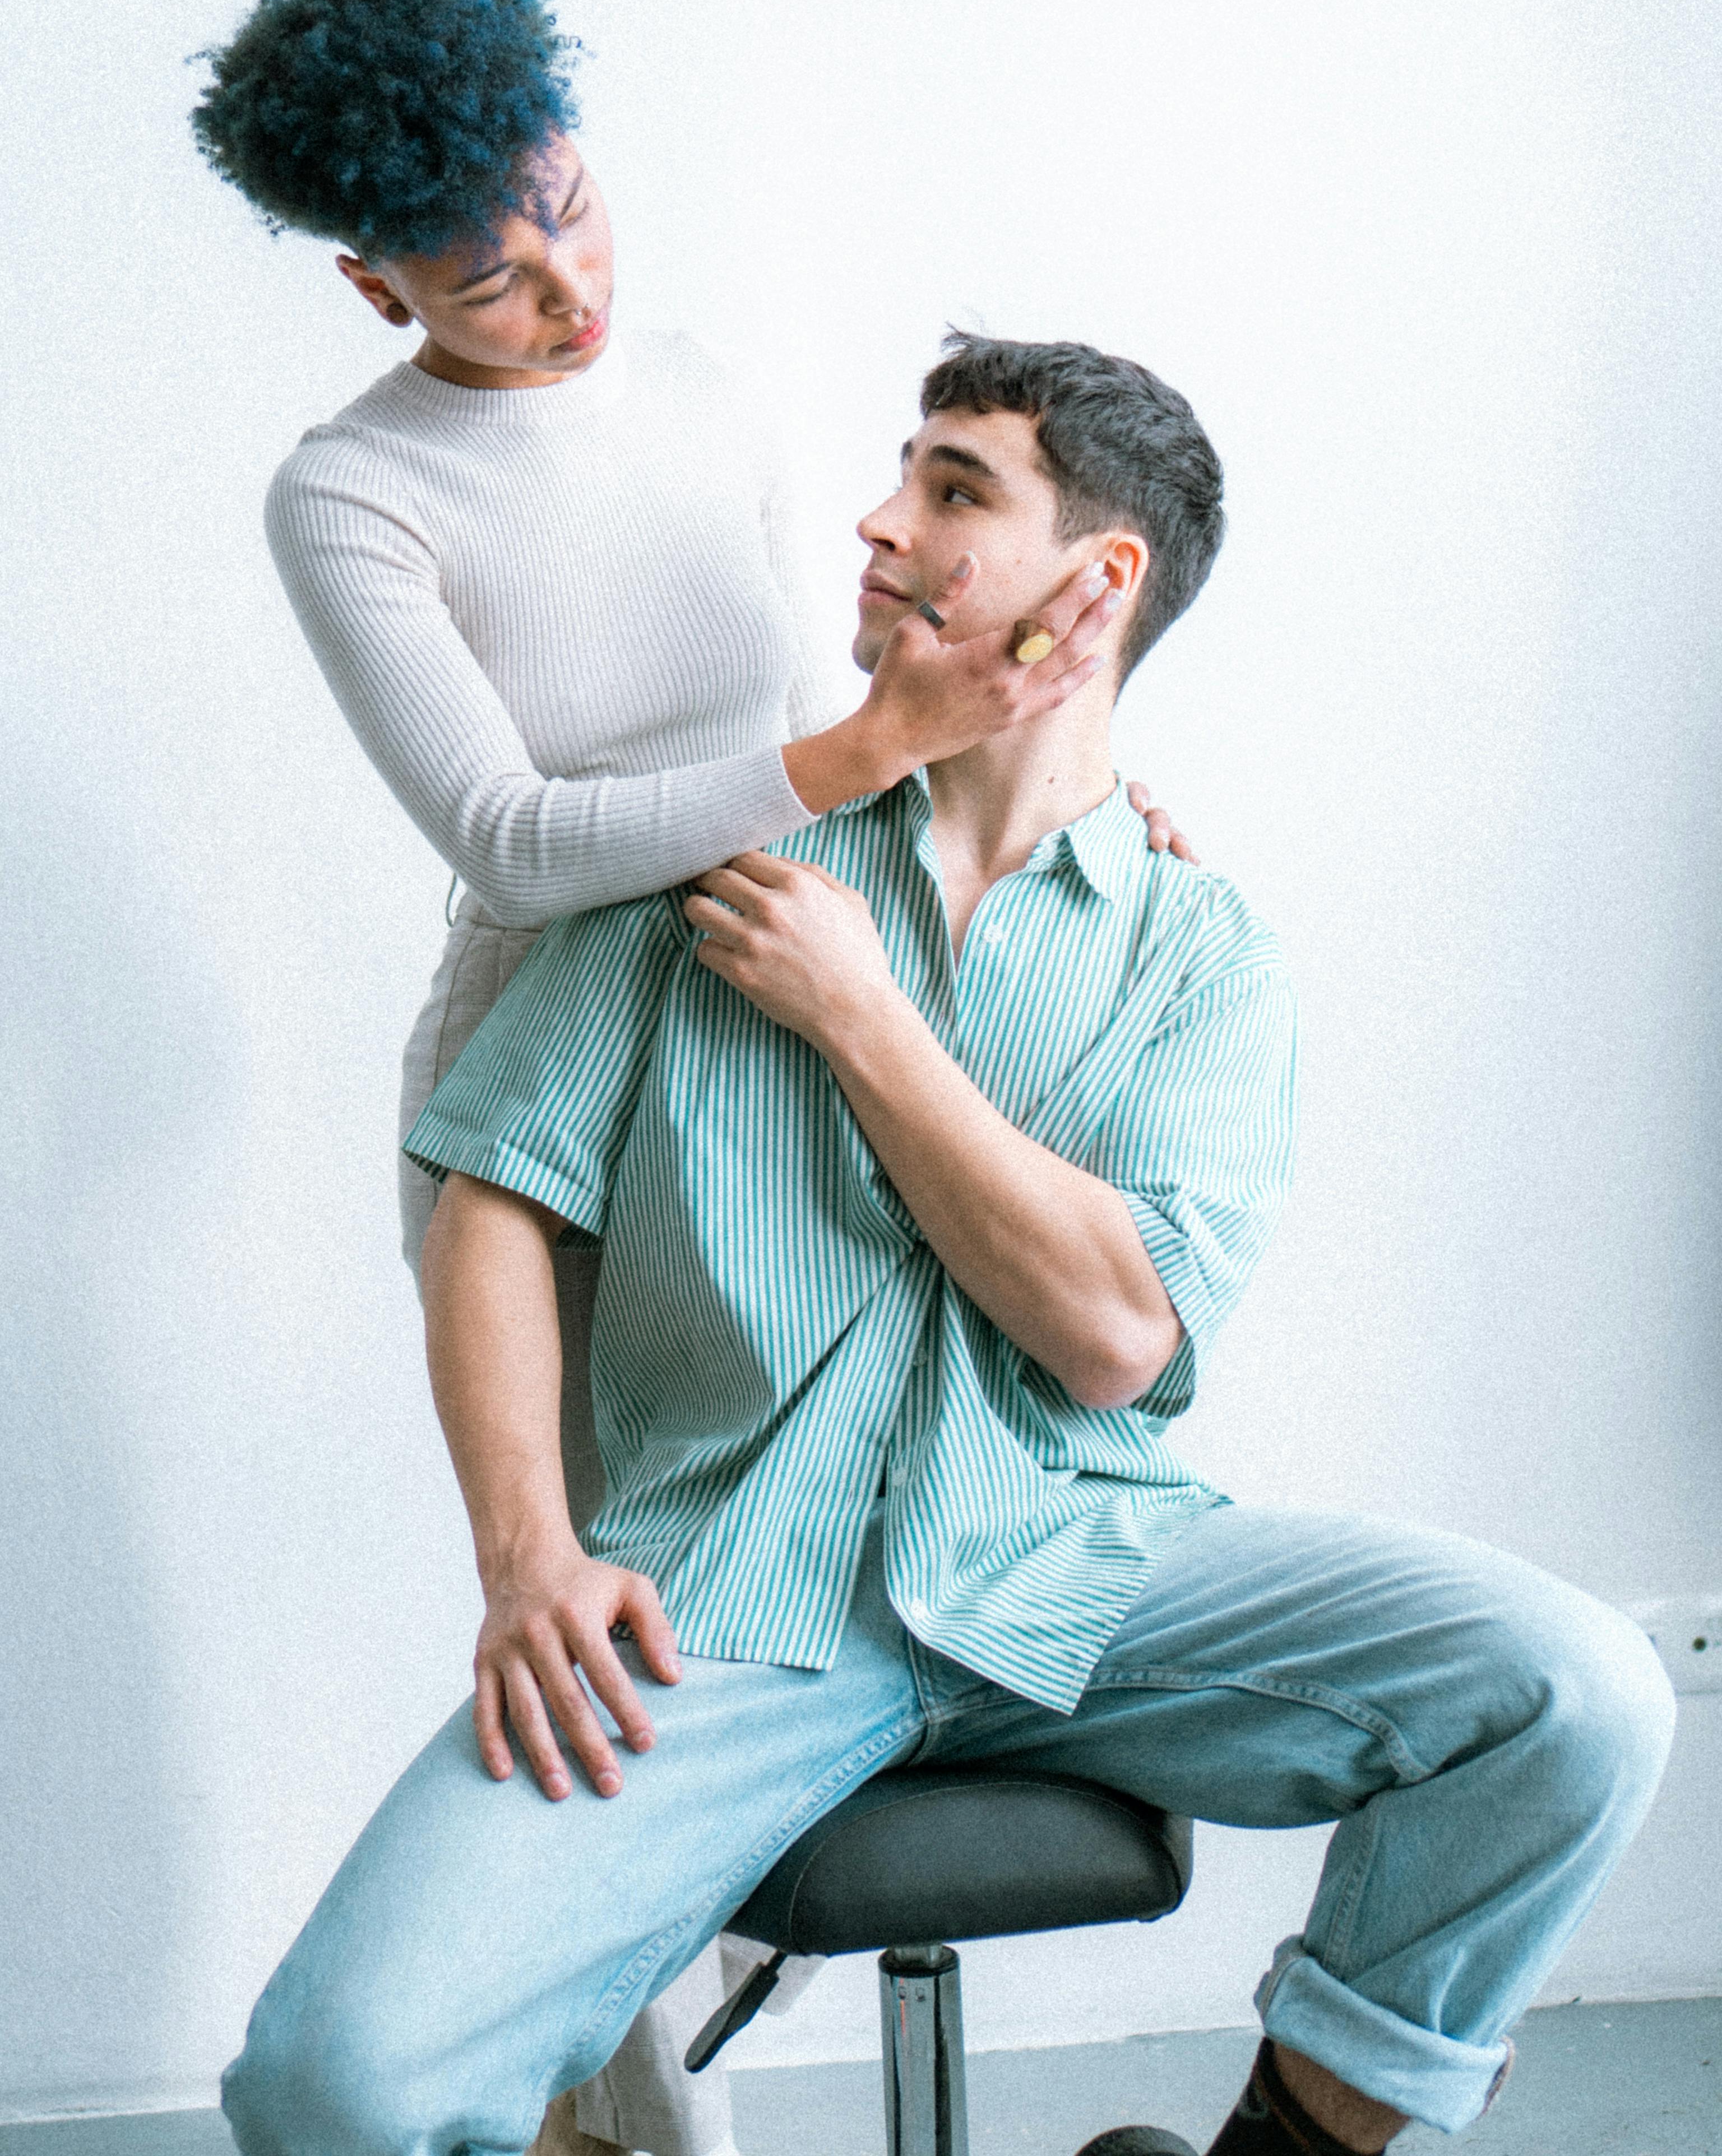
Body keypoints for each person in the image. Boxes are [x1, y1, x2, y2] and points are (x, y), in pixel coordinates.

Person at [220, 333, 1675, 2156]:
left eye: (953, 490)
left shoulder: (1199, 954)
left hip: (1082, 1570)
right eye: (904, 472)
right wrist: (529, 1558)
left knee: (1577, 1693)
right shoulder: (717, 857)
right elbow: (498, 1201)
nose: (878, 520)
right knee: (330, 2080)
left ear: (1102, 581)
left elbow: (1116, 1339)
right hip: (732, 1605)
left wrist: (866, 1023)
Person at [191, 0, 1194, 2156]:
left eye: (565, 210)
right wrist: (863, 760)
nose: (564, 293)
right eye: (484, 285)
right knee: (592, 1605)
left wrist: (1065, 789)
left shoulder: (714, 387)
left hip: (787, 973)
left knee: (791, 1529)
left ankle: (597, 2057)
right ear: (376, 292)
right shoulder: (349, 492)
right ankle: (610, 2109)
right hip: (549, 1036)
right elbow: (517, 833)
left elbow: (881, 696)